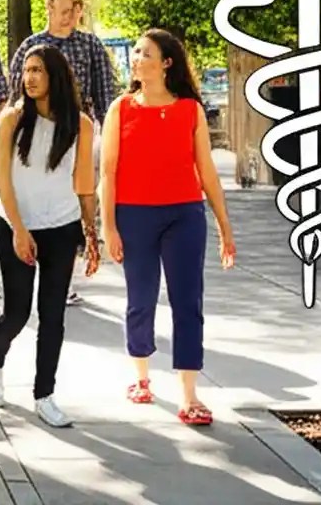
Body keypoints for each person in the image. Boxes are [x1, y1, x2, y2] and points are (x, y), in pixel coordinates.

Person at [99, 28, 236, 426]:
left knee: (187, 302)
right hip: (134, 215)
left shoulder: (189, 110)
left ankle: (190, 396)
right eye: (136, 52)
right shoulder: (120, 109)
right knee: (141, 299)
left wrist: (225, 226)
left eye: (146, 53)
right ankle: (141, 377)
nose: (137, 59)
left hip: (184, 215)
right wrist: (108, 226)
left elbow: (206, 171)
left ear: (166, 63)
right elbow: (107, 171)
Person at [0, 45, 98, 427]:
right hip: (16, 224)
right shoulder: (12, 120)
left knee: (53, 316)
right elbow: (3, 181)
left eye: (38, 71)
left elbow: (84, 181)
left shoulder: (80, 124)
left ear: (56, 76)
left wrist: (91, 232)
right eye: (26, 71)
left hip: (62, 227)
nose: (29, 78)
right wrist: (18, 229)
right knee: (16, 313)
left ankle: (44, 394)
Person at [7, 0, 117, 306]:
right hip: (36, 133)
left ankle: (65, 273)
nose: (69, 17)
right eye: (63, 10)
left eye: (73, 10)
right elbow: (17, 93)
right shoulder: (31, 46)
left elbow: (106, 90)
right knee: (39, 201)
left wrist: (110, 129)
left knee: (73, 201)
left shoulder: (90, 45)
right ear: (50, 11)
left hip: (77, 131)